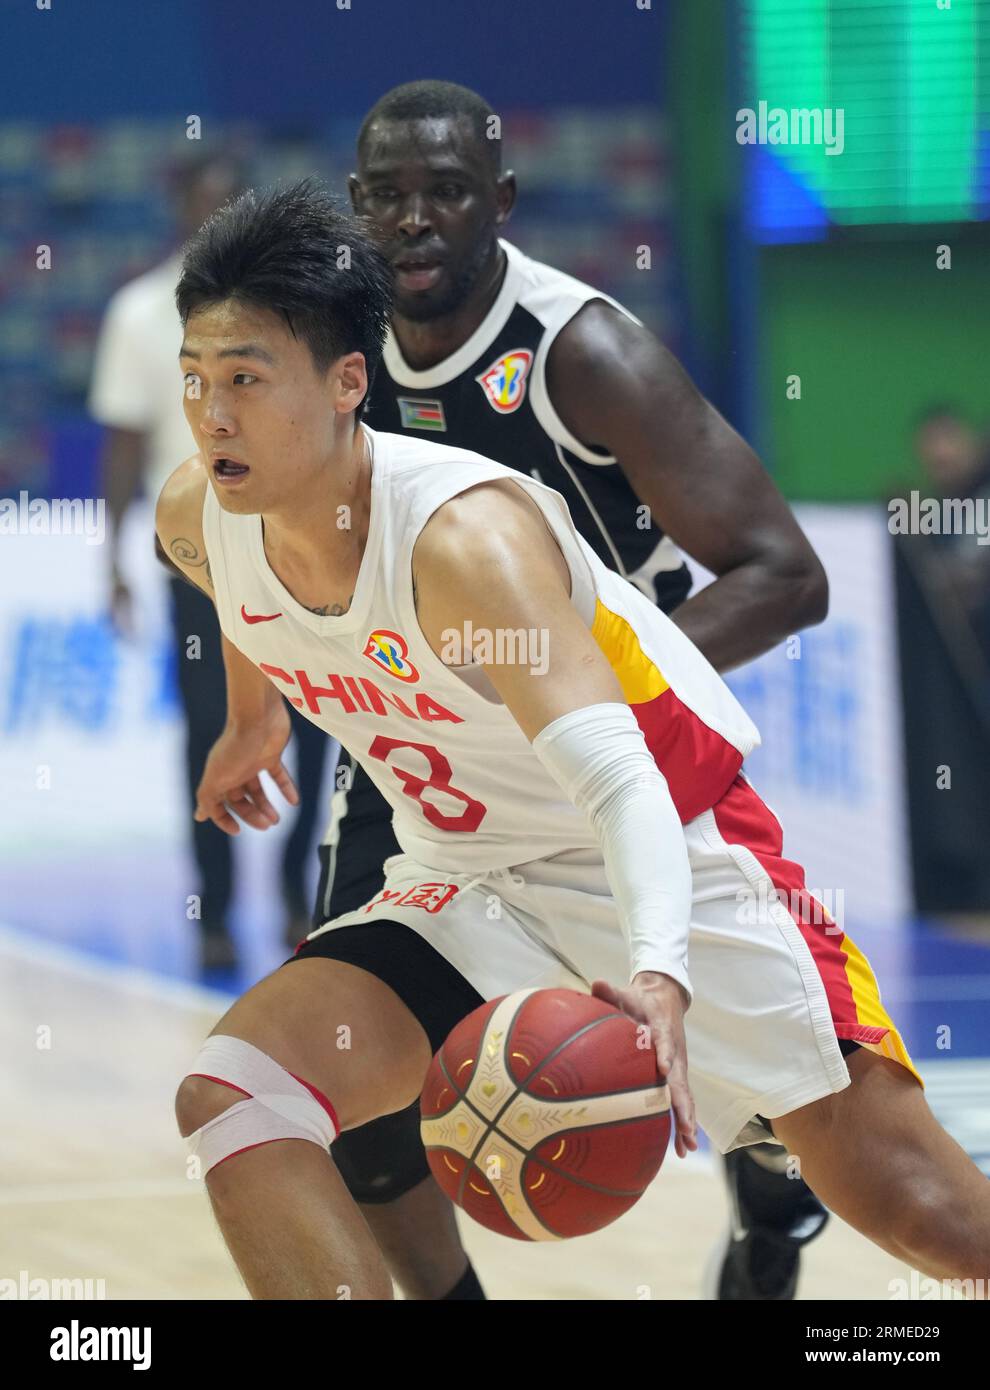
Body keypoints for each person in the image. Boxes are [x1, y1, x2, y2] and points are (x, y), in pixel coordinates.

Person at [161, 181, 989, 1301]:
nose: (212, 414)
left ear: (349, 383)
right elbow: (242, 592)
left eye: (245, 380)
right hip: (470, 881)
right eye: (195, 379)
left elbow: (624, 787)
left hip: (676, 854)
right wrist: (249, 722)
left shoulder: (467, 543)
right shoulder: (199, 512)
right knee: (236, 1088)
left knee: (926, 1213)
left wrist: (657, 968)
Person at [315, 80, 831, 1301]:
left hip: (606, 753)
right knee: (353, 1086)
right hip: (422, 761)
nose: (416, 221)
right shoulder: (329, 348)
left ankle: (773, 1206)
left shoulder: (583, 352)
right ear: (356, 208)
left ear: (501, 201)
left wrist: (595, 688)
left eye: (448, 193)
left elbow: (785, 573)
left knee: (773, 1098)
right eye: (388, 197)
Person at [89, 152, 328, 969]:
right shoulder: (136, 314)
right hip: (191, 553)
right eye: (204, 204)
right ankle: (216, 912)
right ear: (178, 209)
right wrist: (112, 558)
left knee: (325, 725)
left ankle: (307, 892)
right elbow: (124, 446)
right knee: (210, 729)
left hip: (299, 543)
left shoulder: (292, 312)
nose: (215, 218)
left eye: (231, 205)